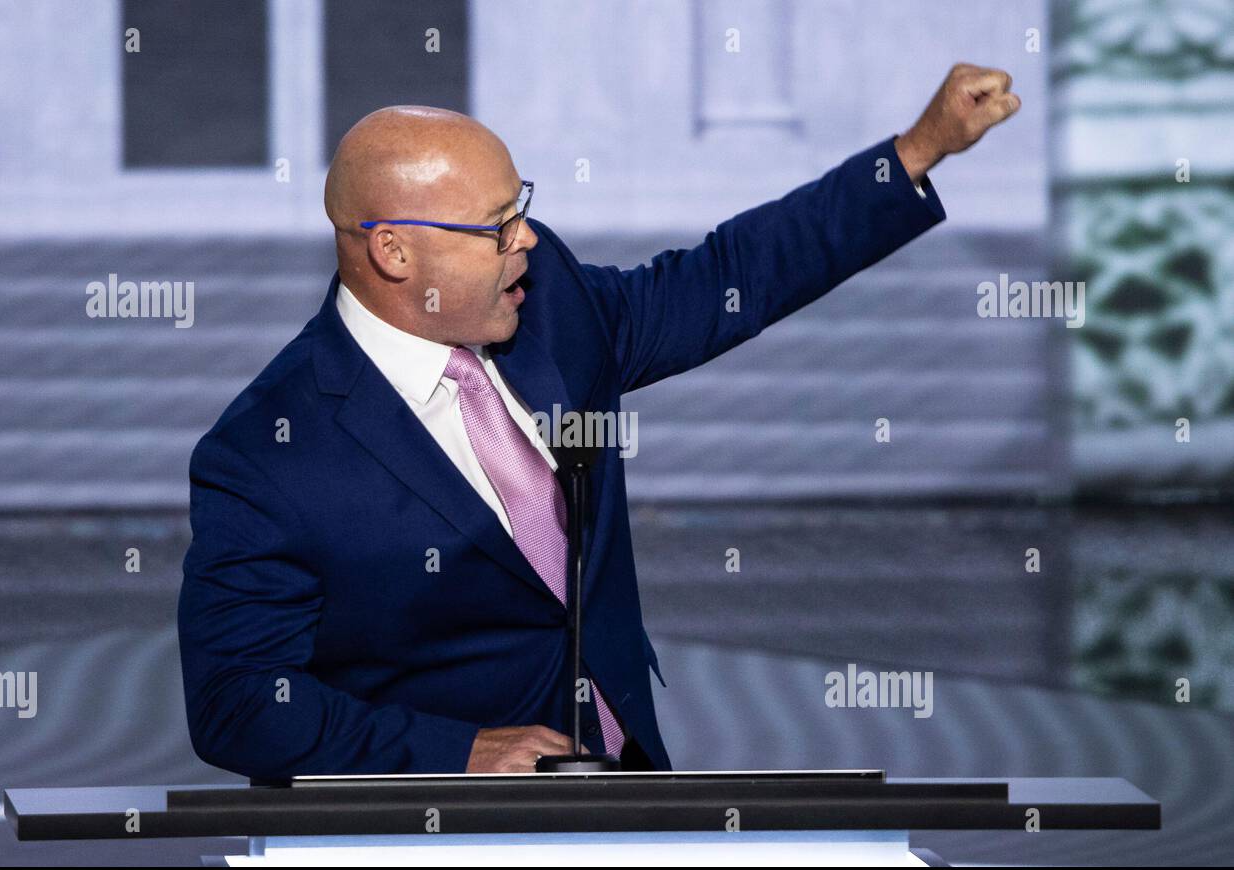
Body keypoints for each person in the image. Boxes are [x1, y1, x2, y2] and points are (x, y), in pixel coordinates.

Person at [177, 64, 1020, 776]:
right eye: (496, 226)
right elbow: (239, 704)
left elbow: (732, 276)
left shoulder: (554, 312)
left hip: (622, 788)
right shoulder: (267, 454)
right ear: (395, 252)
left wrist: (917, 150)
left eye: (522, 208)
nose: (527, 242)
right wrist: (460, 754)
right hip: (425, 836)